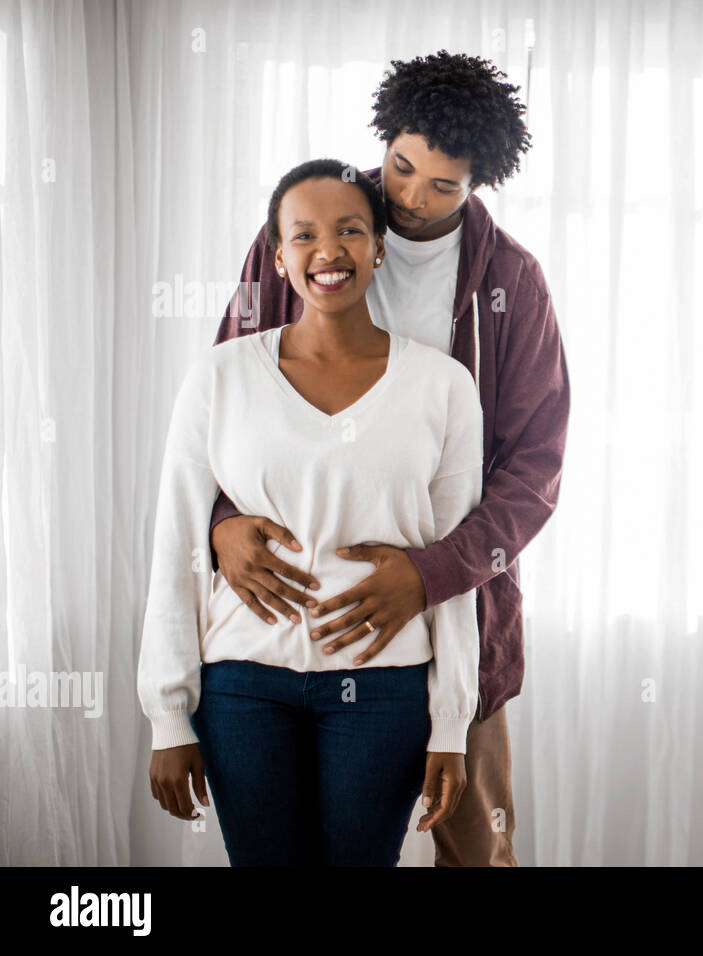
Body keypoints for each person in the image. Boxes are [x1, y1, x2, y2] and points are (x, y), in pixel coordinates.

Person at [206, 52, 570, 867]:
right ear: (384, 140)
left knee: (479, 853)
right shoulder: (312, 229)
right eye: (402, 167)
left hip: (454, 604)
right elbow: (224, 408)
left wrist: (434, 572)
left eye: (443, 186)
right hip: (295, 615)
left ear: (478, 184)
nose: (411, 196)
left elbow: (534, 470)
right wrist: (224, 526)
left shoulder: (511, 282)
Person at [138, 158, 484, 866]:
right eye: (304, 236)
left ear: (379, 247)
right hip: (242, 687)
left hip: (384, 690)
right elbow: (176, 540)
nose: (328, 251)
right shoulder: (220, 376)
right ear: (278, 257)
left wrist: (451, 722)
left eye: (350, 230)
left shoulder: (444, 387)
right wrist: (167, 715)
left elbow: (457, 561)